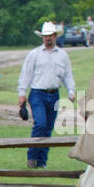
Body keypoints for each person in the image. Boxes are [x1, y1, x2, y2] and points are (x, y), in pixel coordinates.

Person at [17, 21, 76, 169]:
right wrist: (22, 92)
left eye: (50, 36)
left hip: (54, 93)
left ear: (55, 36)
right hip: (38, 93)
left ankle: (42, 160)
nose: (47, 38)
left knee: (48, 127)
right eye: (45, 36)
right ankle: (32, 156)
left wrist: (71, 90)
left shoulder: (62, 55)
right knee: (41, 123)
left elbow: (67, 75)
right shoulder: (34, 54)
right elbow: (26, 74)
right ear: (42, 37)